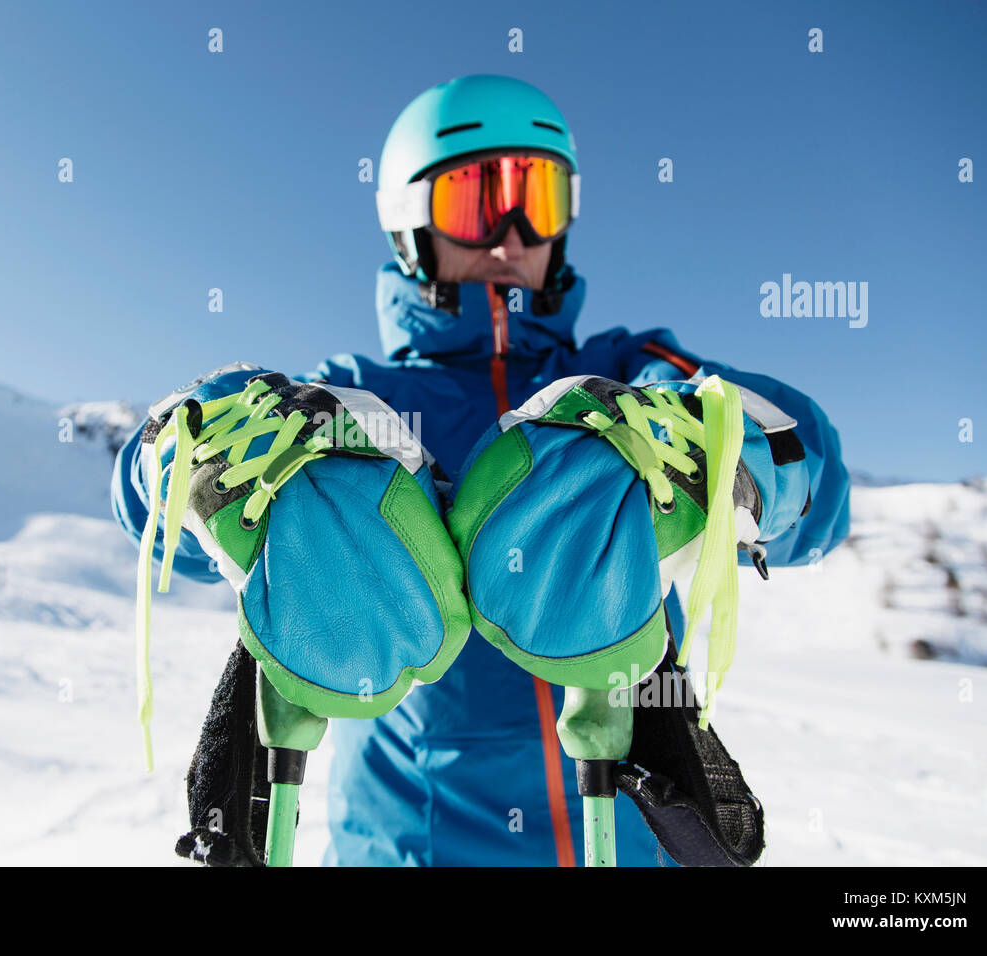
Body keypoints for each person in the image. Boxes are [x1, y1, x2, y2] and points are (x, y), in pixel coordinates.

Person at [113, 73, 850, 866]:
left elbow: (813, 477)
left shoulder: (629, 386)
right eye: (475, 199)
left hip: (635, 830)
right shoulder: (350, 407)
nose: (511, 237)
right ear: (409, 222)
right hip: (414, 845)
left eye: (537, 196)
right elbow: (154, 508)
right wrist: (215, 469)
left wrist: (708, 463)